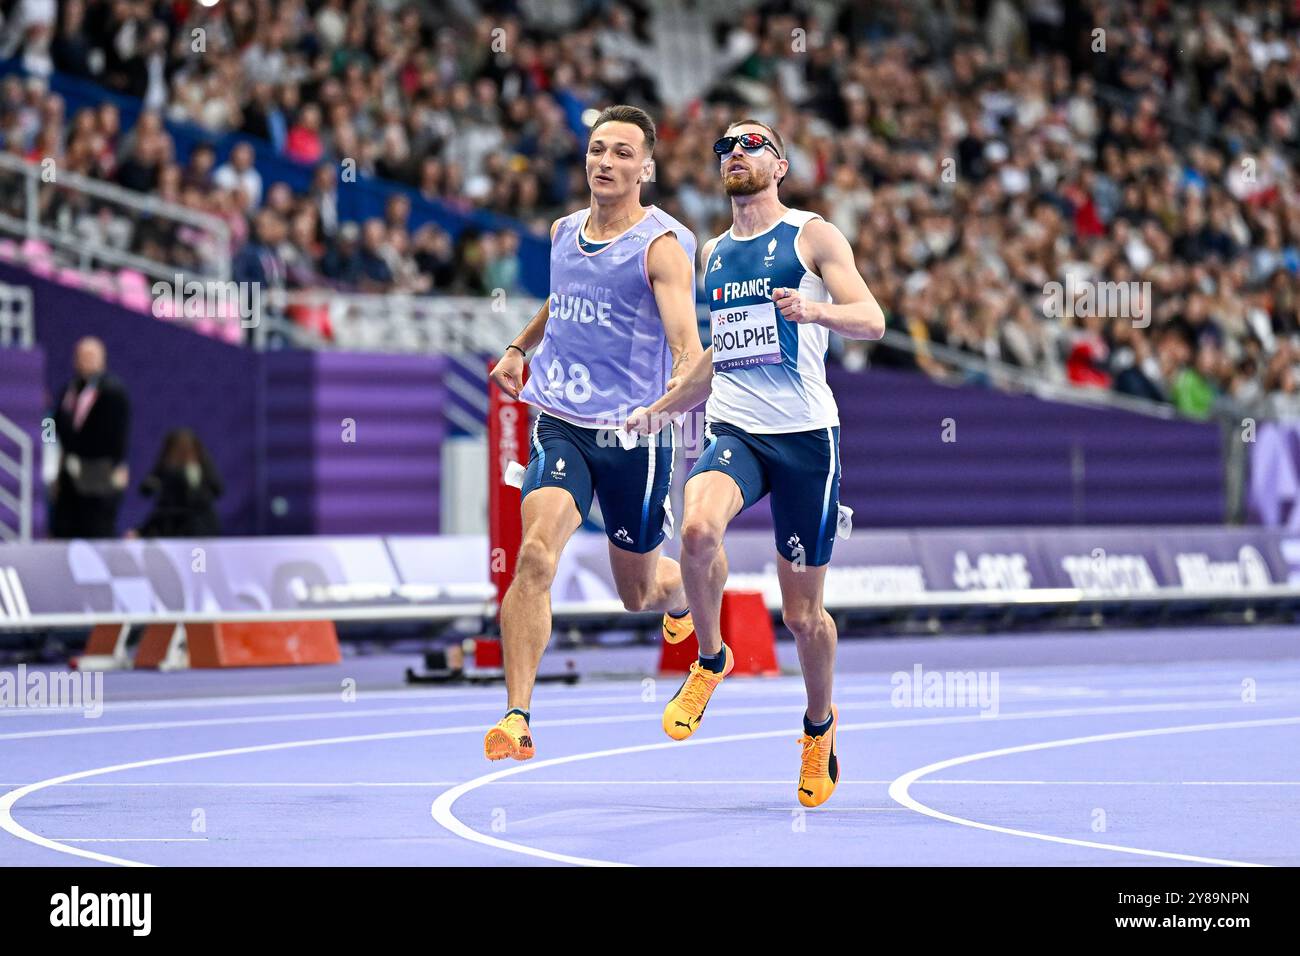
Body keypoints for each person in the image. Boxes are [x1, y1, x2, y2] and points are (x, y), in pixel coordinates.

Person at [626, 120, 886, 807]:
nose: (735, 154)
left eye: (751, 145)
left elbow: (874, 319)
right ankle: (711, 658)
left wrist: (815, 311)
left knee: (804, 618)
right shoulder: (712, 252)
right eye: (724, 148)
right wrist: (662, 407)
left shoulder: (813, 235)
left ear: (781, 164)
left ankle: (818, 728)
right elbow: (723, 356)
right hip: (738, 428)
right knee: (696, 531)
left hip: (805, 439)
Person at [483, 105, 702, 762]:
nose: (606, 162)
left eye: (622, 153)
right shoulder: (562, 231)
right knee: (534, 558)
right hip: (563, 425)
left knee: (638, 592)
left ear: (647, 167)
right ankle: (517, 717)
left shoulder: (662, 247)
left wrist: (667, 404)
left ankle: (685, 592)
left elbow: (686, 343)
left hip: (635, 437)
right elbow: (564, 297)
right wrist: (520, 348)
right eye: (597, 149)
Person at [50, 337, 131, 539]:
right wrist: (54, 466)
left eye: (91, 356)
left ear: (102, 359)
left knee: (97, 530)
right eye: (81, 356)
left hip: (99, 474)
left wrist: (117, 465)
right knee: (65, 530)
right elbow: (52, 425)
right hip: (69, 473)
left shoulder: (112, 391)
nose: (85, 361)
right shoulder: (68, 390)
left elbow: (120, 432)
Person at [135, 429, 223, 537]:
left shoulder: (201, 469)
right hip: (170, 524)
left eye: (186, 451)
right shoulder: (165, 469)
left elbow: (217, 490)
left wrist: (195, 485)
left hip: (198, 524)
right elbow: (146, 489)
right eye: (177, 451)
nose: (181, 456)